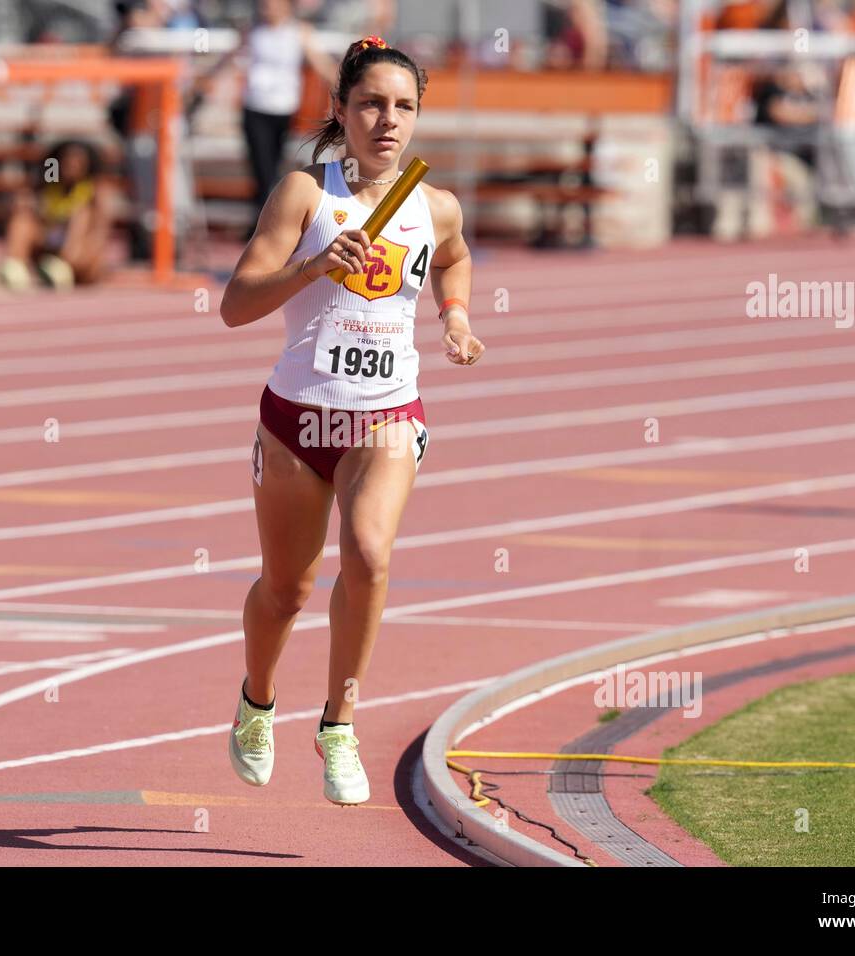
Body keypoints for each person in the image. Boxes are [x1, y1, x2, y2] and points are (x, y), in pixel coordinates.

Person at [218, 35, 485, 805]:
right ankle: (257, 701)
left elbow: (457, 256)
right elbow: (235, 306)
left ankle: (339, 722)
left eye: (404, 106)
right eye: (371, 103)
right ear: (339, 110)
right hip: (298, 423)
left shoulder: (434, 205)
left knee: (368, 552)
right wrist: (314, 266)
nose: (388, 120)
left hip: (385, 418)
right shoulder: (306, 195)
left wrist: (456, 318)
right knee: (286, 589)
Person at [193, 0, 337, 239]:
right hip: (255, 106)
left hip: (283, 108)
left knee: (274, 166)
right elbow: (228, 59)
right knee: (261, 167)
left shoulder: (298, 32)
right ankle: (262, 221)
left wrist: (345, 84)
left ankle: (267, 220)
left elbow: (321, 64)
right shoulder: (252, 31)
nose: (266, 9)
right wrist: (205, 79)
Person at [0, 140, 114, 290]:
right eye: (67, 161)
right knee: (23, 218)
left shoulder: (93, 191)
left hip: (78, 252)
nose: (72, 165)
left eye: (77, 162)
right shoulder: (50, 183)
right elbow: (34, 208)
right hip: (49, 245)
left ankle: (61, 269)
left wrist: (87, 256)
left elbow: (100, 232)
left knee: (81, 216)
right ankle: (15, 266)